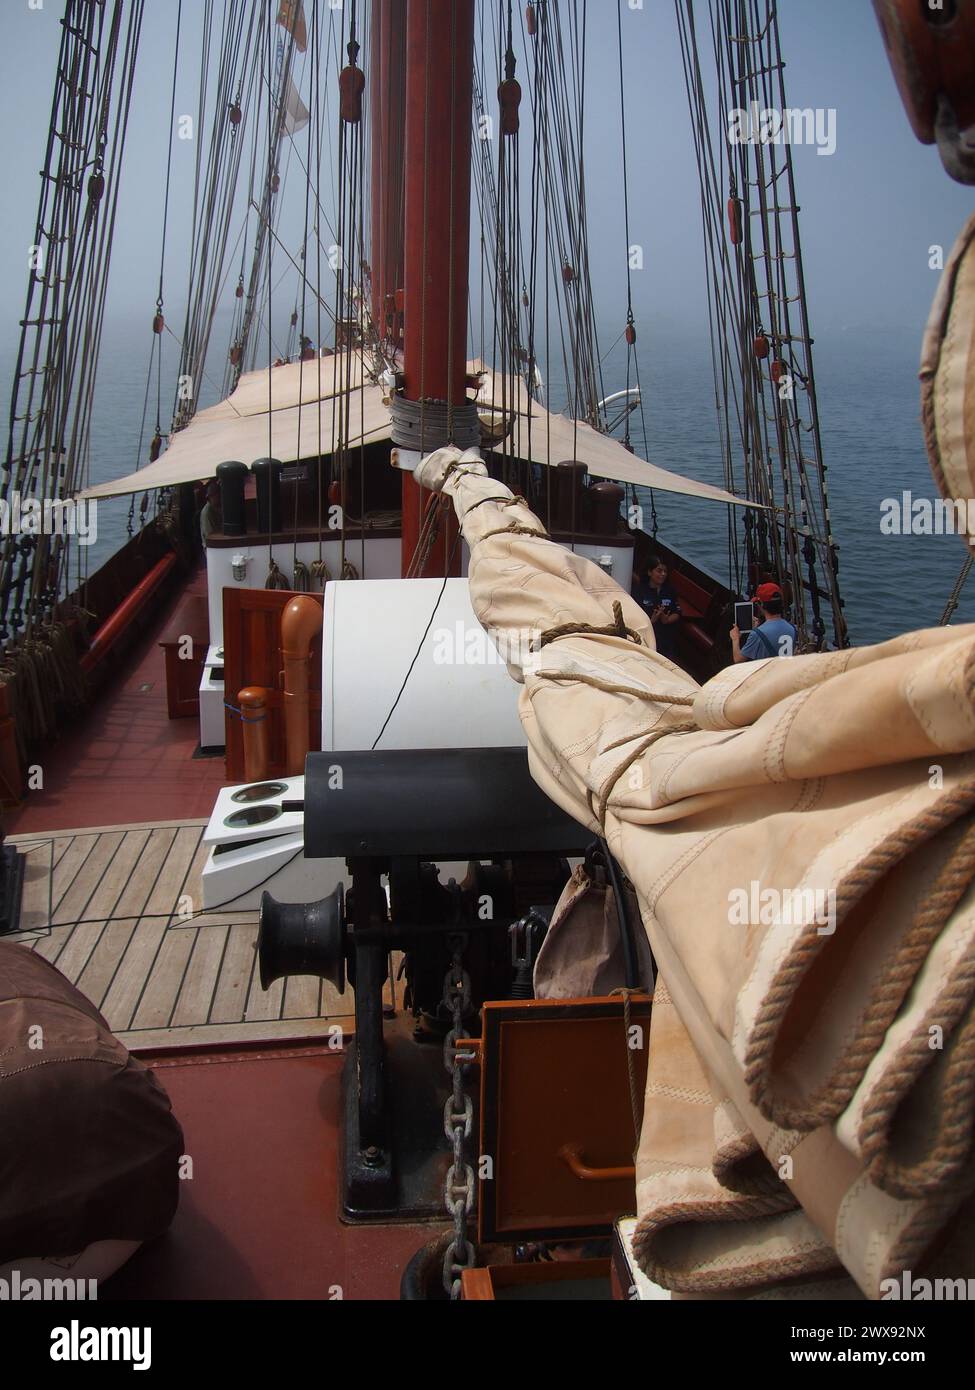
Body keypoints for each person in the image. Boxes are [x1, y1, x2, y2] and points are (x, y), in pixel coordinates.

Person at [730, 581, 797, 662]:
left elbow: (738, 660)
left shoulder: (757, 634)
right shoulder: (792, 628)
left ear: (761, 605)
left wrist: (735, 639)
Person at [632, 556, 682, 660]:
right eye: (659, 571)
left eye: (665, 571)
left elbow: (677, 612)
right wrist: (650, 621)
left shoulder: (670, 590)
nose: (663, 574)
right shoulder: (640, 590)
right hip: (647, 634)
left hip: (665, 636)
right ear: (650, 572)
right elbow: (634, 616)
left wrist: (667, 620)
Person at [199, 481, 221, 548]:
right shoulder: (207, 512)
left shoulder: (216, 508)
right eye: (216, 495)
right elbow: (209, 535)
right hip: (211, 547)